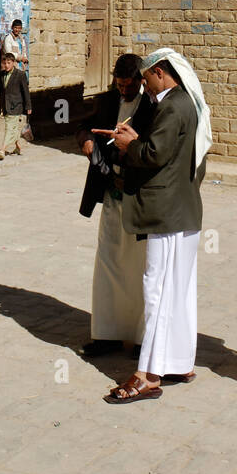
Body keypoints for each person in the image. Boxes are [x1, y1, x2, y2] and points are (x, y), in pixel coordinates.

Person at [105, 47, 210, 403]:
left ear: (161, 73)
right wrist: (134, 136)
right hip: (182, 212)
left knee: (158, 291)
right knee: (177, 290)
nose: (143, 85)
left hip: (166, 213)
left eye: (146, 77)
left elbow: (153, 155)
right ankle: (179, 361)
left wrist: (129, 144)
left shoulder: (173, 105)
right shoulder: (180, 103)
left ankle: (148, 374)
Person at [76, 53, 154, 358]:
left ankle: (138, 338)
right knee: (108, 260)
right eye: (119, 85)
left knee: (138, 266)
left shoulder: (152, 105)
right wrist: (85, 140)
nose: (124, 90)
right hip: (110, 190)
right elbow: (84, 125)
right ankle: (106, 335)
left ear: (140, 80)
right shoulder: (108, 101)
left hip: (138, 194)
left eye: (128, 85)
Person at [0, 50, 31, 160]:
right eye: (4, 63)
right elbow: (0, 90)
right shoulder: (1, 75)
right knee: (12, 128)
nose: (6, 65)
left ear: (14, 63)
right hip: (5, 105)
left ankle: (2, 149)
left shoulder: (20, 75)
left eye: (9, 63)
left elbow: (25, 91)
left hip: (16, 105)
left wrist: (28, 106)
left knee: (9, 128)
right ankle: (18, 146)